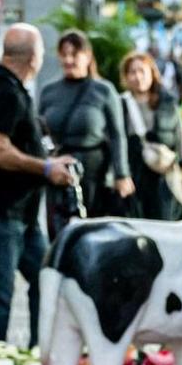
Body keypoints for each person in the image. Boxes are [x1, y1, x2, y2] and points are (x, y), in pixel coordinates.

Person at [0, 24, 78, 348]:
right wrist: (44, 167)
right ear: (33, 56)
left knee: (45, 279)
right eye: (41, 51)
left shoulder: (10, 88)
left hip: (21, 215)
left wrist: (49, 159)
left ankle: (41, 353)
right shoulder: (2, 91)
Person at [41, 31, 132, 238]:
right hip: (59, 168)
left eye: (74, 54)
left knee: (92, 230)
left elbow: (118, 135)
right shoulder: (49, 91)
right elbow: (40, 131)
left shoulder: (103, 90)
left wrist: (121, 173)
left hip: (93, 171)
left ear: (87, 56)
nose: (69, 60)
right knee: (59, 231)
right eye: (64, 54)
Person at [119, 50, 182, 222]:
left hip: (165, 176)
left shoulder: (168, 103)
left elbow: (181, 137)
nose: (138, 77)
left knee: (167, 222)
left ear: (152, 73)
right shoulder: (121, 104)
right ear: (126, 76)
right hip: (136, 176)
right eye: (132, 72)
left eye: (142, 71)